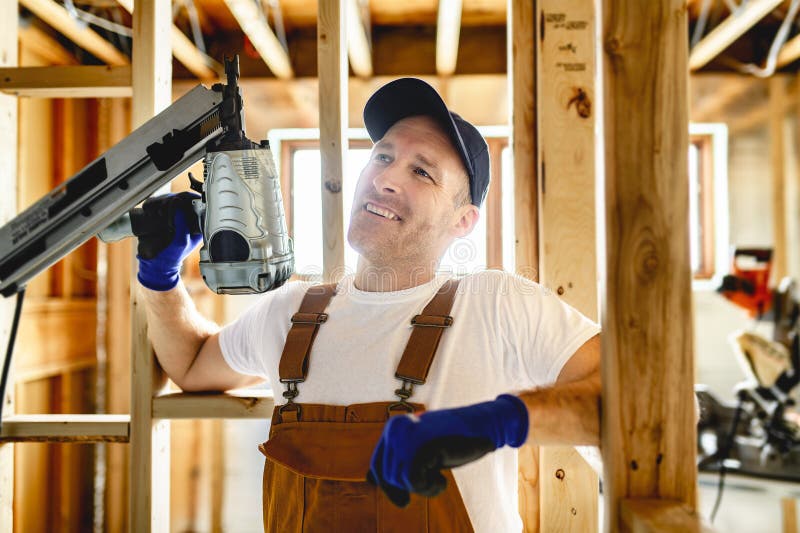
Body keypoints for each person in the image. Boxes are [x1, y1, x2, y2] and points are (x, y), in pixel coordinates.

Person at [137, 78, 601, 533]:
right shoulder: (291, 312)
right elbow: (194, 363)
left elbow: (618, 395)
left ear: (464, 220)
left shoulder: (497, 305)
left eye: (422, 171)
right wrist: (160, 274)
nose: (385, 178)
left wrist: (496, 421)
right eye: (382, 156)